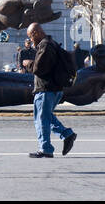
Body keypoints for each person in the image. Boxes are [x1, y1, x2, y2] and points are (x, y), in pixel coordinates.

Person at [26, 23, 76, 158]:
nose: (30, 40)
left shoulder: (46, 45)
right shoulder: (51, 44)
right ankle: (67, 134)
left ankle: (46, 149)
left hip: (46, 89)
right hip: (53, 89)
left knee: (41, 119)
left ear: (36, 33)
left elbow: (39, 68)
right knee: (46, 116)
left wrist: (28, 64)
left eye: (30, 37)